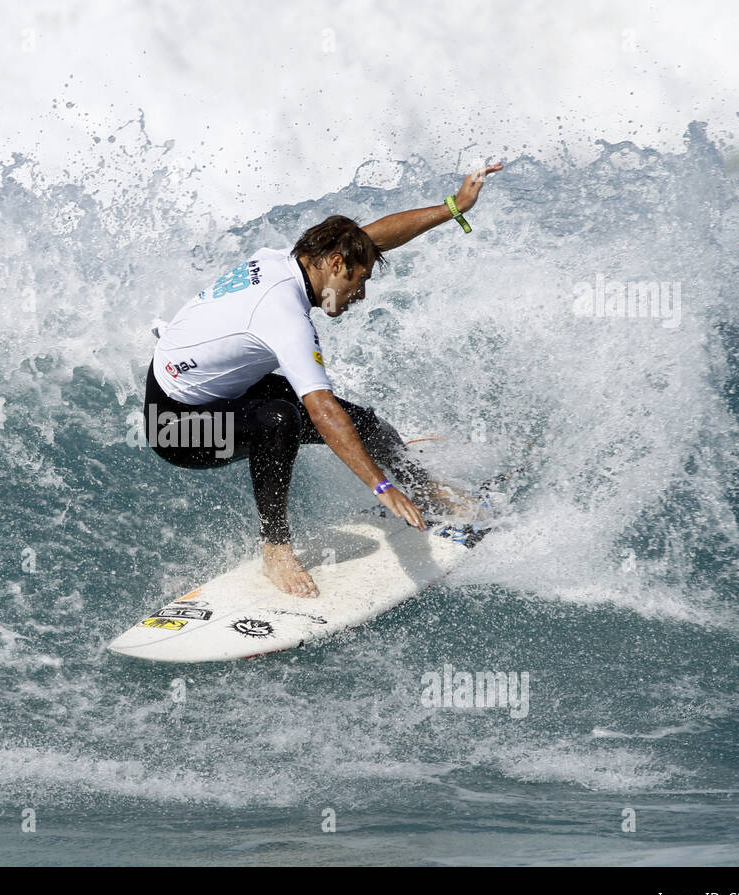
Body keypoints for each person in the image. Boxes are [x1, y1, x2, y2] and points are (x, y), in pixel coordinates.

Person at [145, 163, 504, 597]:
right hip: (178, 428)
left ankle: (424, 489)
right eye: (360, 280)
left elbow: (373, 239)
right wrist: (380, 486)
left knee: (365, 424)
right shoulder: (285, 317)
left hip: (217, 391)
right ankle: (276, 548)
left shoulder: (286, 262)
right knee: (282, 421)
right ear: (335, 264)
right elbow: (321, 410)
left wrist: (455, 206)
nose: (361, 294)